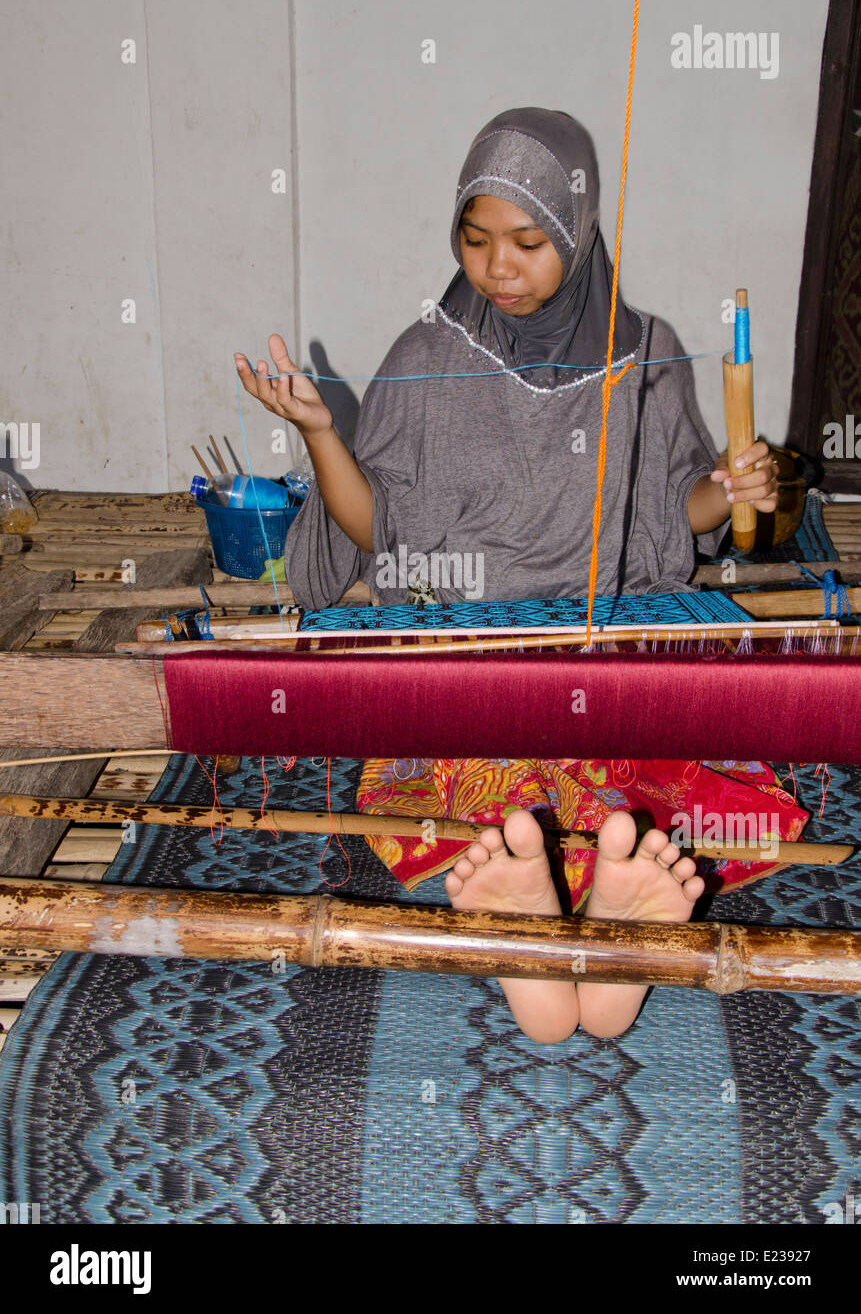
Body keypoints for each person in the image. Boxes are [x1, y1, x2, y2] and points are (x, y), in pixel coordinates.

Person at [235, 107, 803, 1043]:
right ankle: (562, 927)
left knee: (624, 762)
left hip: (602, 636)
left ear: (576, 235)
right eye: (475, 239)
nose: (499, 268)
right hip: (479, 647)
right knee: (504, 755)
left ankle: (576, 920)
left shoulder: (645, 350)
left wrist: (728, 485)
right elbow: (379, 529)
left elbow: (673, 514)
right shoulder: (425, 357)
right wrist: (320, 432)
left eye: (529, 242)